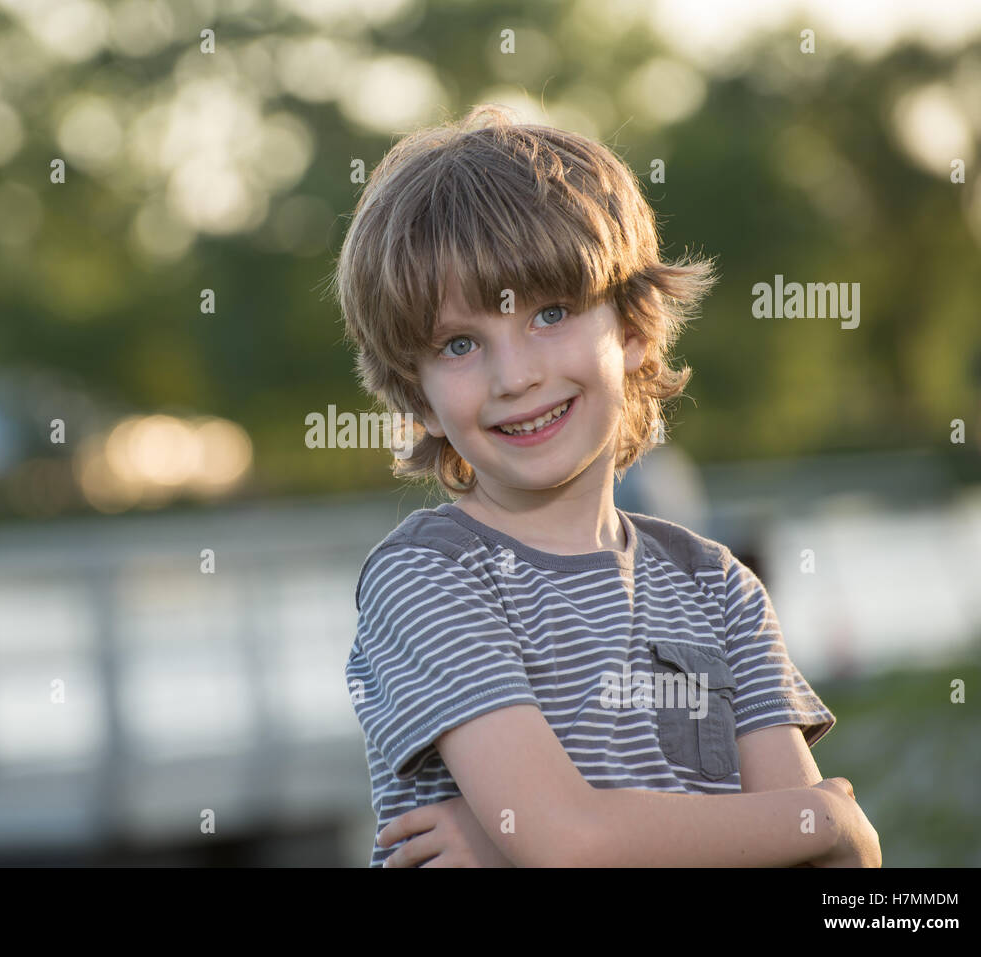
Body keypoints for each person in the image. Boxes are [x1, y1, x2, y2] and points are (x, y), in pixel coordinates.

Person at [329, 104, 881, 868]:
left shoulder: (720, 590)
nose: (515, 375)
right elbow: (569, 840)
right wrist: (829, 820)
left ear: (633, 329)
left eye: (550, 313)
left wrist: (519, 848)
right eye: (460, 343)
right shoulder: (429, 577)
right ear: (415, 393)